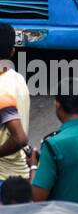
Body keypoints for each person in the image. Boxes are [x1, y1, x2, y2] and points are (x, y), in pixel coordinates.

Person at [0, 25, 30, 184]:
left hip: (4, 176)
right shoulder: (16, 78)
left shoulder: (2, 89)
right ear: (12, 52)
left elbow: (19, 138)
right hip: (18, 173)